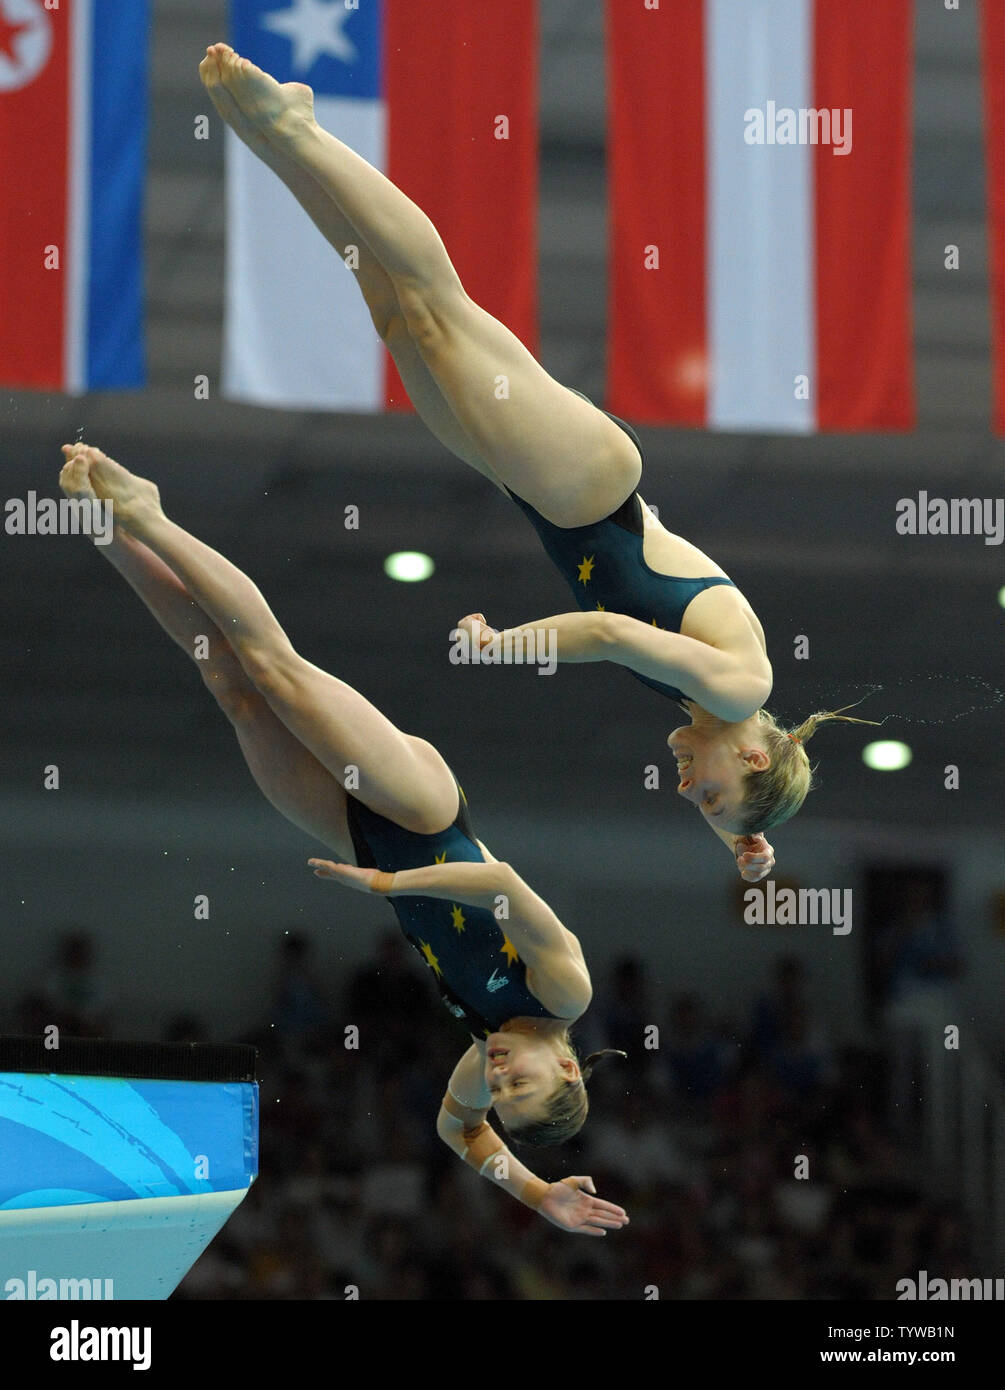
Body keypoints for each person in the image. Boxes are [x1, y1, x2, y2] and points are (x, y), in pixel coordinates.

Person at [198, 43, 876, 876]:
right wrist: (508, 645)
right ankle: (296, 131)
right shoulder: (740, 690)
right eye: (706, 794)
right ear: (753, 758)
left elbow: (713, 764)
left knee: (397, 316)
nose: (682, 790)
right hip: (588, 489)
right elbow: (605, 630)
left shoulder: (715, 705)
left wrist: (740, 836)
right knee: (434, 308)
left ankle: (278, 144)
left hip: (543, 493)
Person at [58, 444, 627, 1238]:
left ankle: (107, 531)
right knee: (274, 669)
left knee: (233, 690)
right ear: (566, 1063)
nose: (497, 1078)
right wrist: (389, 889)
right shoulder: (563, 996)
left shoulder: (482, 1049)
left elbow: (455, 1132)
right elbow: (502, 885)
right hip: (425, 814)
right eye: (521, 1081)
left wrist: (537, 1194)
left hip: (362, 840)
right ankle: (148, 510)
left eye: (502, 1093)